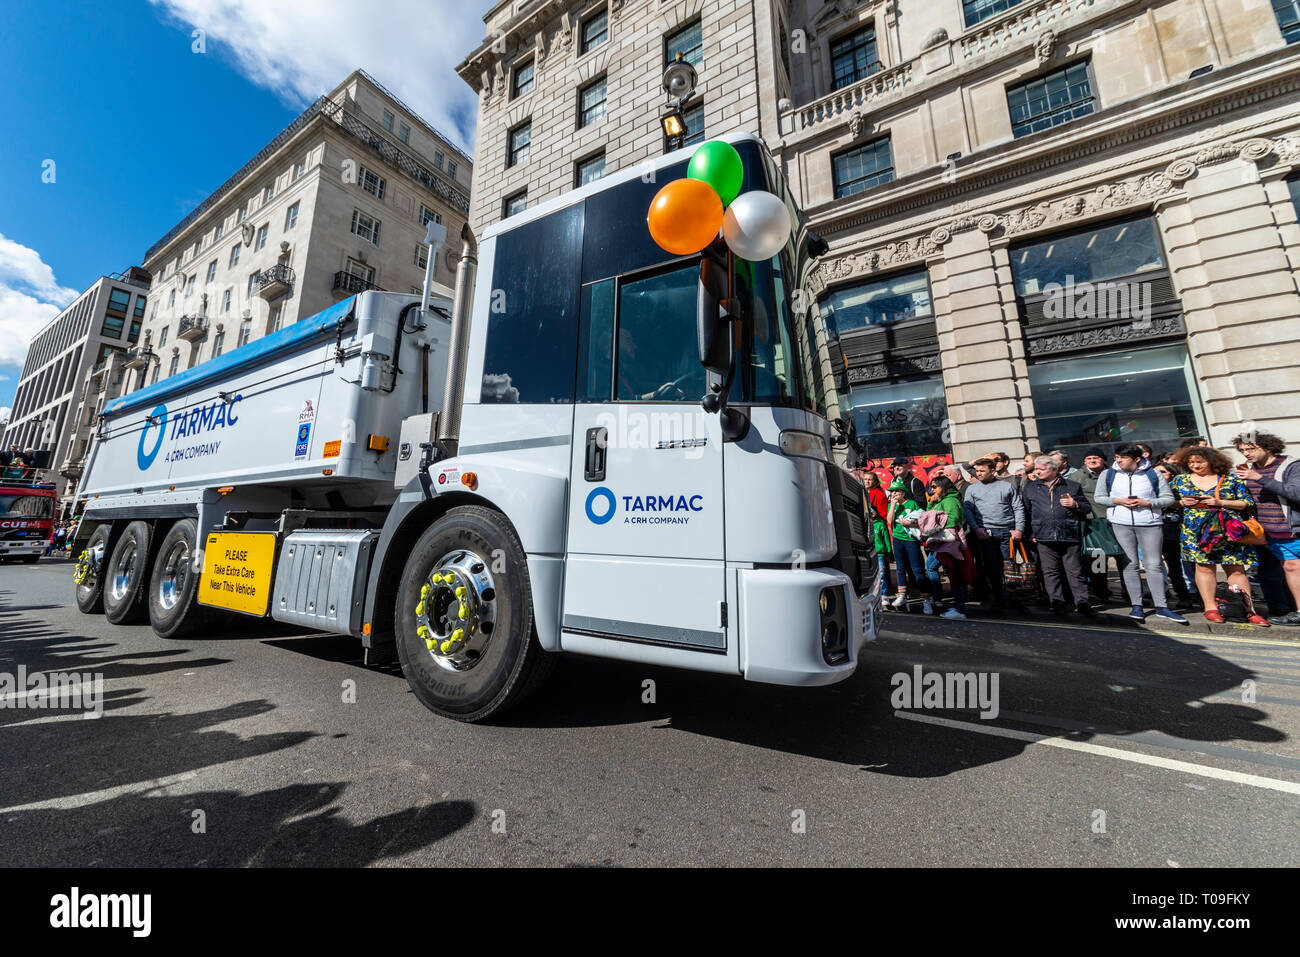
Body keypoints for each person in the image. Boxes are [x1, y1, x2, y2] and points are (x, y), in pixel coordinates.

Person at [1170, 445, 1268, 626]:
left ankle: (1249, 609)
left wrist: (1220, 502)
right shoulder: (1179, 480)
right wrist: (1181, 502)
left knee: (1236, 568)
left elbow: (1246, 503)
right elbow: (1168, 502)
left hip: (1228, 529)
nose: (1195, 466)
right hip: (1196, 530)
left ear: (1212, 461)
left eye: (1200, 462)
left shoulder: (1230, 479)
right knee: (1204, 567)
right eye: (1191, 462)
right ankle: (1210, 607)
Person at [1095, 443, 1187, 624]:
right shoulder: (1108, 474)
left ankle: (1162, 606)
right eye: (1116, 457)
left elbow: (1168, 498)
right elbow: (1099, 498)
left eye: (1122, 457)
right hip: (1121, 523)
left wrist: (1148, 503)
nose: (1118, 460)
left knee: (1153, 565)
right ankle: (1136, 606)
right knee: (1130, 565)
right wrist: (1118, 501)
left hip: (1150, 523)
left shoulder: (1153, 473)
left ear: (1137, 459)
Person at [1232, 431, 1300, 626]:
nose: (1247, 453)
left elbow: (1296, 493)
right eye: (1243, 450)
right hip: (1262, 533)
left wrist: (1259, 478)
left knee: (1292, 568)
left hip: (1290, 529)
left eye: (1251, 449)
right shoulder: (1248, 470)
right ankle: (1280, 609)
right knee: (1269, 573)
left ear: (1268, 447)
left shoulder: (1291, 465)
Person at [1022, 455, 1094, 617]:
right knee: (1050, 572)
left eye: (1041, 469)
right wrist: (1030, 533)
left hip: (1068, 534)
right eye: (1036, 469)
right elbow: (1026, 512)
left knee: (1075, 571)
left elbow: (1086, 508)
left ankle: (1082, 602)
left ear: (1054, 469)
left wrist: (1075, 504)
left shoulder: (1072, 486)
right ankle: (1056, 602)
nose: (1037, 472)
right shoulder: (1031, 488)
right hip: (1043, 536)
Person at [962, 458, 1025, 614]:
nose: (979, 474)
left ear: (992, 470)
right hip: (986, 534)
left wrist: (1019, 529)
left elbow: (1018, 507)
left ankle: (1012, 598)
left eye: (982, 471)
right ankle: (997, 598)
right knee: (993, 567)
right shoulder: (972, 489)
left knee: (1009, 567)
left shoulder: (1006, 486)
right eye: (977, 471)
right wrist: (976, 529)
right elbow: (968, 511)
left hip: (1007, 532)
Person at [912, 475, 971, 620]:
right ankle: (945, 601)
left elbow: (953, 519)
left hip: (949, 543)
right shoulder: (942, 500)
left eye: (934, 487)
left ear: (943, 487)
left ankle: (959, 608)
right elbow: (928, 516)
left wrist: (935, 529)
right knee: (934, 567)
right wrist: (932, 503)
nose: (931, 490)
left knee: (954, 574)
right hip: (942, 543)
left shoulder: (950, 500)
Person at [1074, 448, 1118, 603]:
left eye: (1096, 458)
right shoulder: (1076, 477)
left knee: (1124, 559)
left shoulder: (1115, 474)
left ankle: (1128, 591)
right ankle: (1100, 592)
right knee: (1097, 560)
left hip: (1117, 520)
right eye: (1089, 458)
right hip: (1093, 522)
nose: (1092, 461)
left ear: (1104, 460)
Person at [1154, 461, 1196, 606]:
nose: (1159, 475)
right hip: (1165, 531)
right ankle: (1183, 595)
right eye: (1156, 472)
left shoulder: (1181, 485)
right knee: (1174, 567)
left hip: (1185, 529)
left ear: (1172, 473)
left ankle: (1197, 594)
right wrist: (1177, 503)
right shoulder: (1151, 488)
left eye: (1163, 471)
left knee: (1192, 565)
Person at [885, 479, 925, 610]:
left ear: (903, 492)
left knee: (917, 568)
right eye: (892, 491)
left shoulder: (912, 503)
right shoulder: (892, 505)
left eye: (897, 491)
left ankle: (926, 599)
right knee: (900, 568)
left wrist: (910, 524)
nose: (894, 493)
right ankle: (901, 595)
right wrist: (892, 505)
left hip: (911, 540)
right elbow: (890, 521)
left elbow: (921, 521)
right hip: (897, 539)